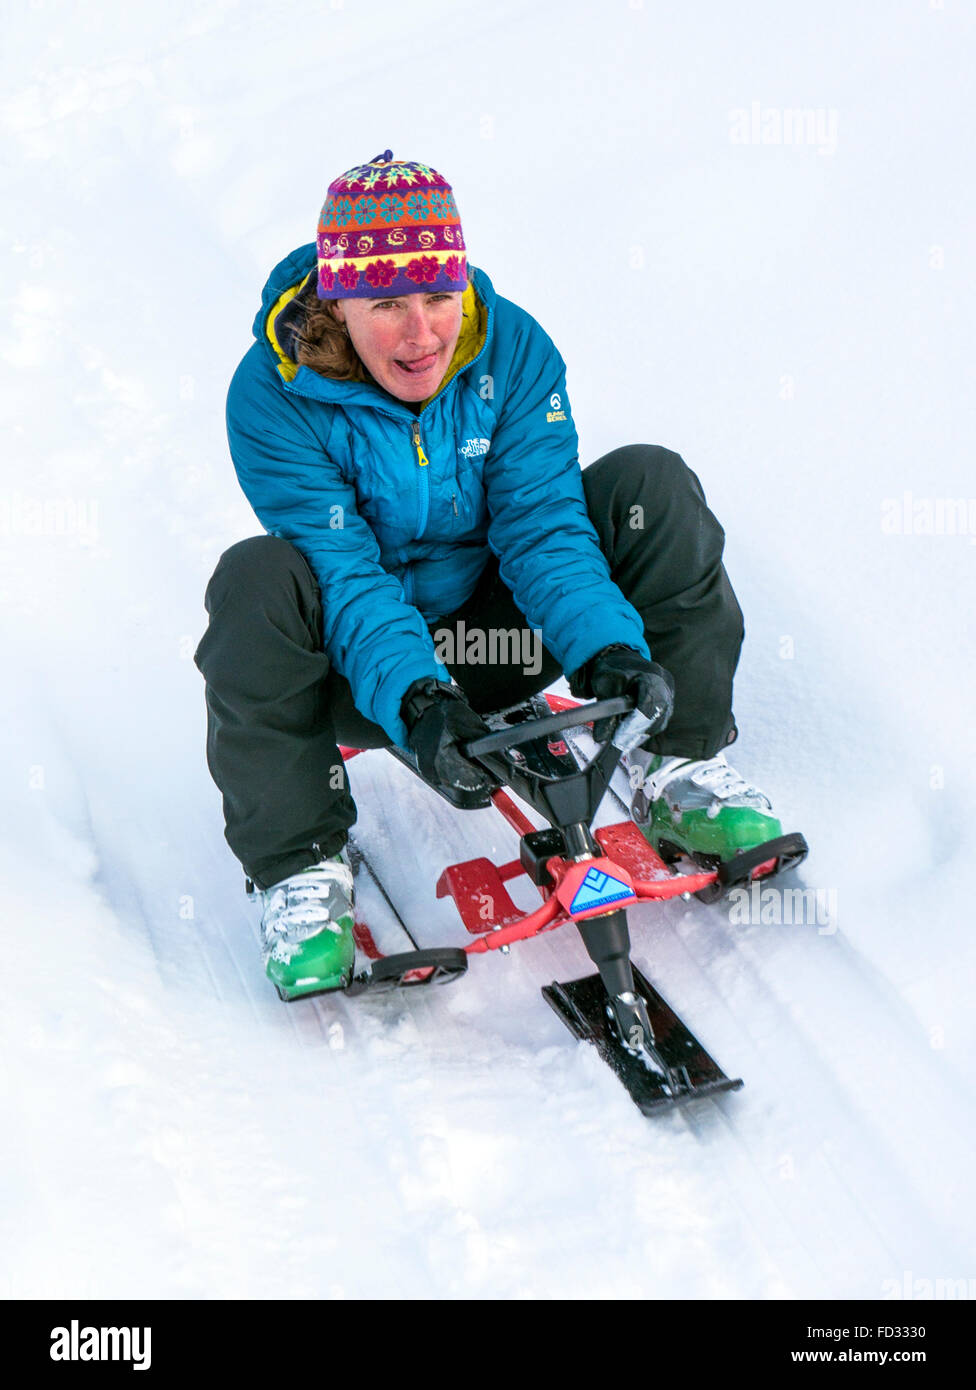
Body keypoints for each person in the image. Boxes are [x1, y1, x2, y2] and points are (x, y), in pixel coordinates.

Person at [194, 150, 783, 1000]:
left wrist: (612, 650)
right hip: (367, 681)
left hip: (504, 633)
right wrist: (421, 704)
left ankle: (681, 762)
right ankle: (300, 870)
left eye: (439, 295)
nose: (422, 332)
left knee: (649, 484)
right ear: (338, 302)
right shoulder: (272, 395)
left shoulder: (514, 349)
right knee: (256, 581)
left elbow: (542, 526)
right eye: (386, 303)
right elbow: (346, 575)